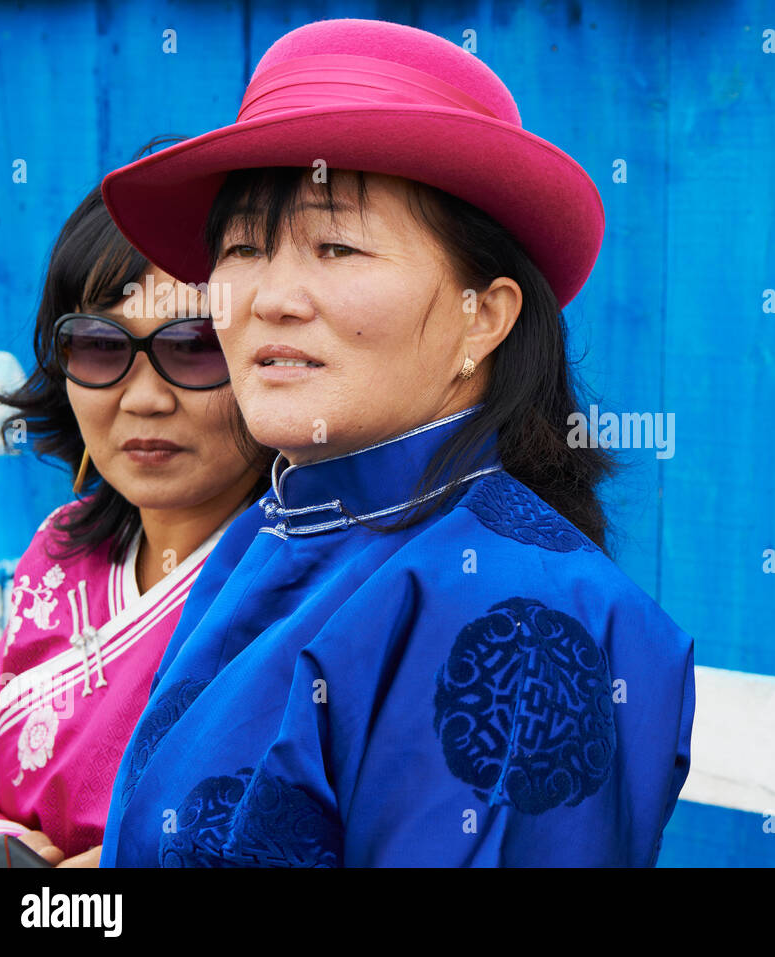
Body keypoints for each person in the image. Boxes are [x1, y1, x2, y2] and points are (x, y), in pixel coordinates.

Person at [98, 18, 695, 867]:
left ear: (481, 317)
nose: (270, 298)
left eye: (335, 245)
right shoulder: (270, 532)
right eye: (242, 248)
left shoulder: (521, 621)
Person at [0, 172, 272, 866]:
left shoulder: (299, 584)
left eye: (195, 346)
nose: (143, 398)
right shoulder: (59, 552)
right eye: (101, 345)